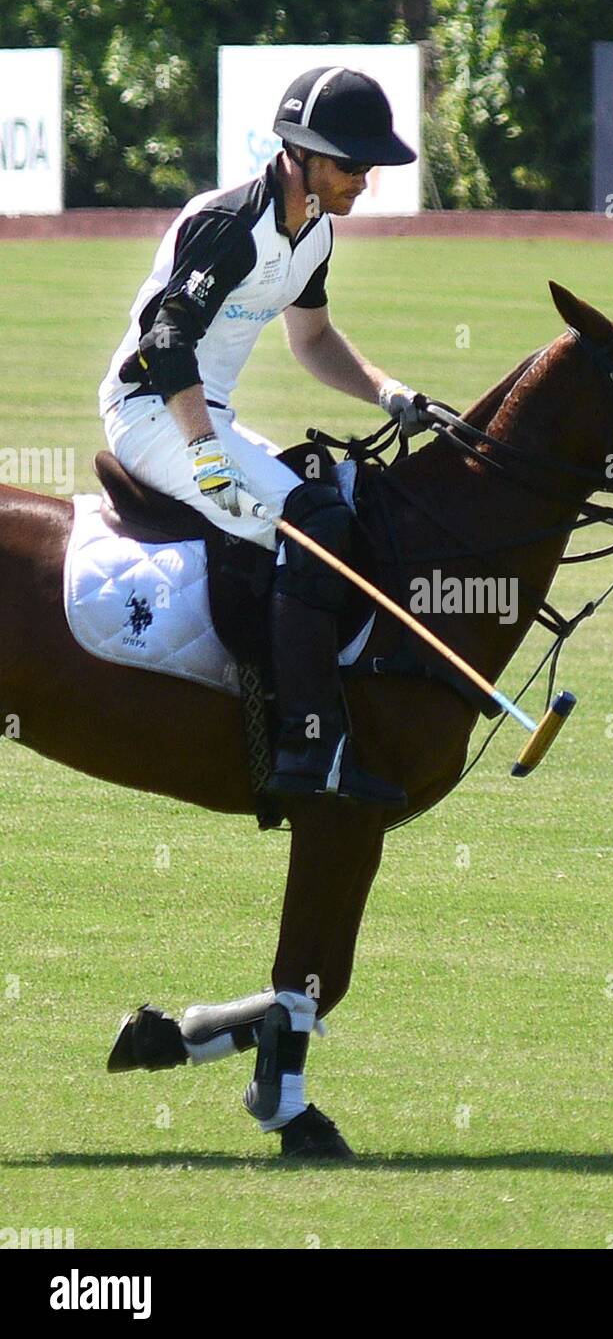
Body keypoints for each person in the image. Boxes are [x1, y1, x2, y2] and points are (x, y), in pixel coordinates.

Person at [99, 66, 433, 805]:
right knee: (312, 522)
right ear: (301, 153)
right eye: (351, 164)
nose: (363, 180)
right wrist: (206, 453)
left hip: (201, 412)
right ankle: (307, 744)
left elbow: (310, 341)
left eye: (368, 166)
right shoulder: (229, 225)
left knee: (328, 498)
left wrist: (386, 391)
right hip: (152, 411)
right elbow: (163, 341)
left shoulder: (312, 232)